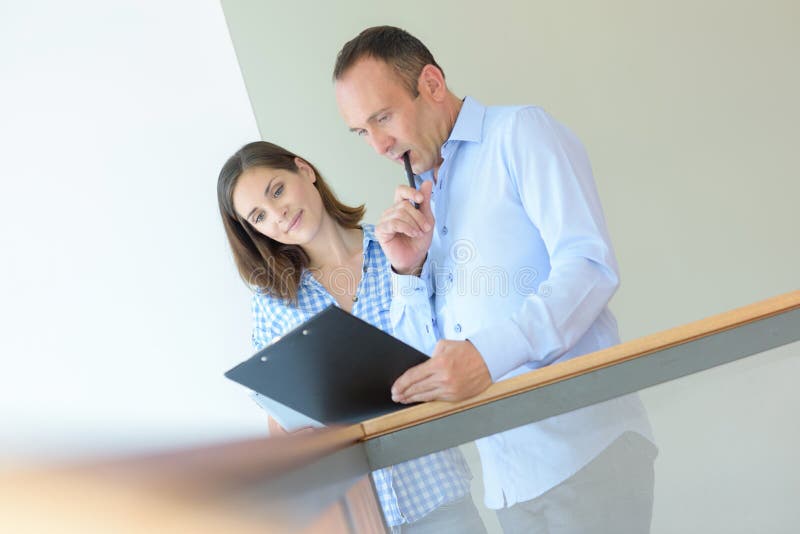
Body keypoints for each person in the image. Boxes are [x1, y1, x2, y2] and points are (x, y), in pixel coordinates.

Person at [333, 26, 658, 533]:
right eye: (361, 131)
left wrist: (488, 354)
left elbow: (588, 266)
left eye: (382, 116)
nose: (377, 145)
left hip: (586, 452)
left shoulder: (520, 133)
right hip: (508, 486)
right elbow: (424, 365)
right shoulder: (424, 200)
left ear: (433, 84)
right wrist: (408, 271)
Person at [216, 141, 486, 533]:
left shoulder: (398, 246)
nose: (278, 214)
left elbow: (444, 347)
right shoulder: (273, 302)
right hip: (355, 517)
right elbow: (280, 425)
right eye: (259, 216)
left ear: (304, 170)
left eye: (277, 190)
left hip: (437, 497)